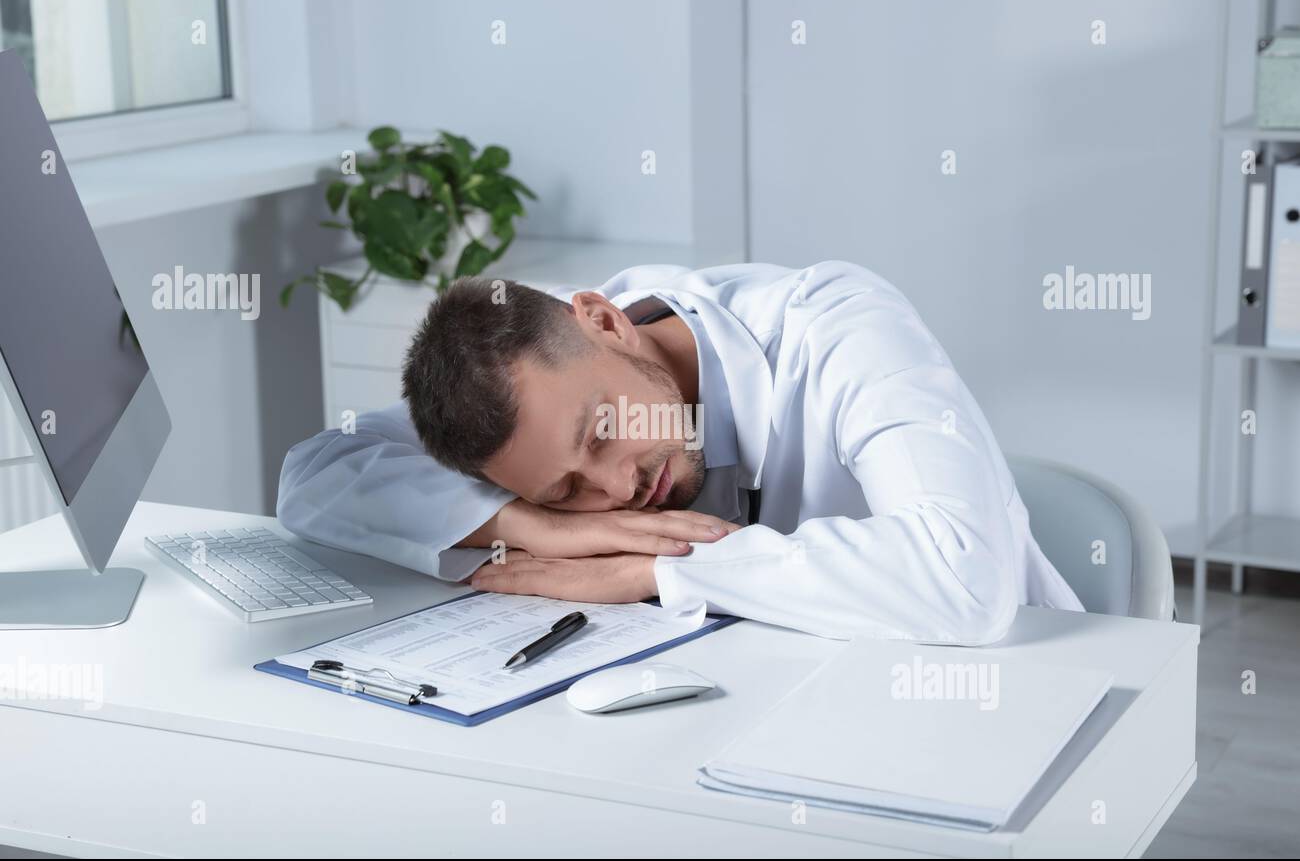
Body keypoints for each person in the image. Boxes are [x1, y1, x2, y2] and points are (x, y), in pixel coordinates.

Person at [278, 261, 1083, 644]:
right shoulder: (536, 400)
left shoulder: (839, 325)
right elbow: (313, 472)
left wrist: (658, 570)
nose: (617, 489)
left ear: (603, 319)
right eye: (566, 489)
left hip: (1022, 693)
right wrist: (543, 528)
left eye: (600, 433)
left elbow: (961, 580)